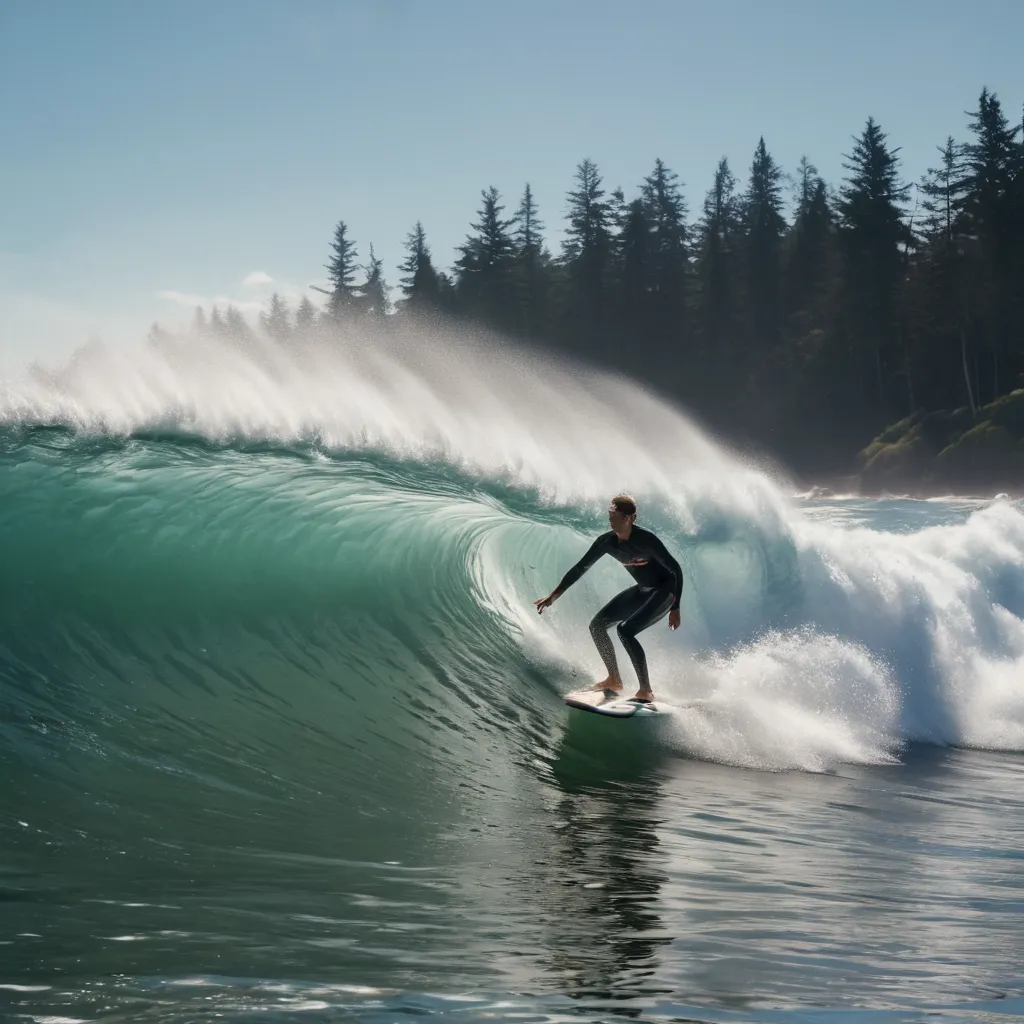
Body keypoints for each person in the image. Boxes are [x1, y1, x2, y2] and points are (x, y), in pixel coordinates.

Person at [535, 495, 683, 703]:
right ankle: (613, 678)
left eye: (615, 516)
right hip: (643, 589)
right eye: (609, 515)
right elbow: (580, 568)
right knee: (598, 625)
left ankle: (646, 691)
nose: (610, 520)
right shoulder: (607, 542)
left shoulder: (647, 540)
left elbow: (675, 569)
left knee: (625, 630)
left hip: (665, 591)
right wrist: (553, 596)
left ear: (630, 518)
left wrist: (675, 607)